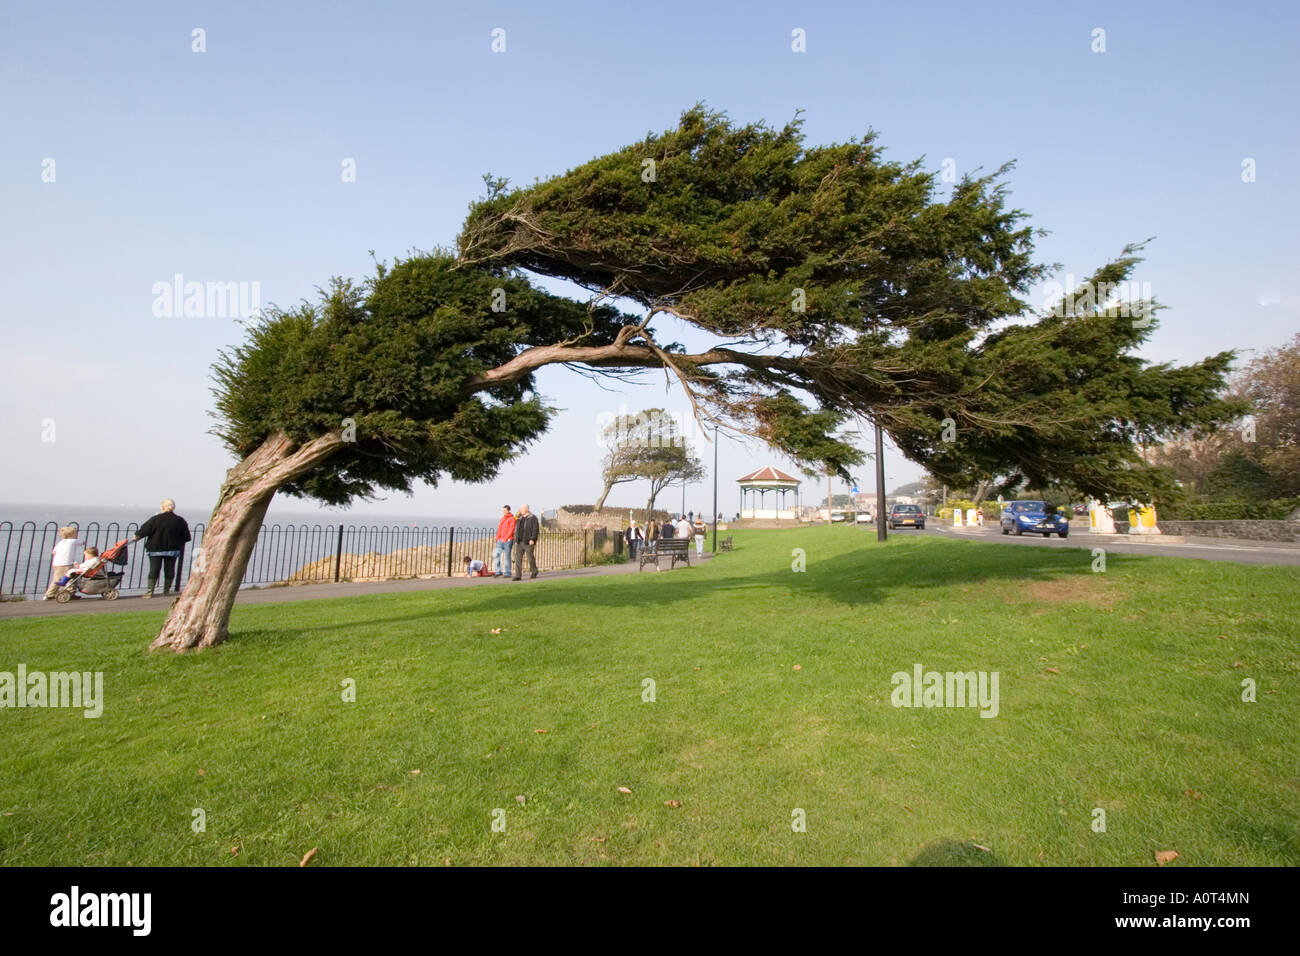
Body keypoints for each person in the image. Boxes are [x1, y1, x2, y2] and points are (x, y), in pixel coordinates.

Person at [133, 499, 191, 598]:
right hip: (172, 549)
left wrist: (137, 536)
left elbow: (144, 530)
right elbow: (187, 537)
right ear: (174, 507)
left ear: (162, 507)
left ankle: (150, 591)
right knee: (169, 569)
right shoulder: (180, 521)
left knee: (154, 569)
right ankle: (166, 590)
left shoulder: (155, 519)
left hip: (155, 549)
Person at [44, 525, 84, 600]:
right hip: (65, 563)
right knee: (63, 578)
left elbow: (53, 552)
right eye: (75, 533)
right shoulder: (73, 541)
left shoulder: (60, 542)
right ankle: (50, 594)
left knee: (69, 577)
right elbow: (82, 542)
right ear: (71, 535)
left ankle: (70, 592)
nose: (76, 535)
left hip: (57, 563)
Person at [511, 503, 539, 580]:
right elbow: (515, 525)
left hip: (528, 541)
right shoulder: (519, 518)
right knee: (518, 558)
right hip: (519, 541)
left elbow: (535, 529)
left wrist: (532, 539)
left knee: (530, 558)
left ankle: (534, 571)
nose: (521, 510)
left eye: (523, 509)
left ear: (527, 509)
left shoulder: (533, 518)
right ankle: (518, 575)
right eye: (520, 509)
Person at [493, 505, 515, 577]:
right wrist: (498, 538)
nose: (504, 512)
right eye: (503, 510)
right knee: (496, 555)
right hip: (500, 540)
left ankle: (507, 572)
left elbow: (511, 529)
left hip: (508, 540)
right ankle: (498, 571)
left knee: (507, 557)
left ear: (508, 510)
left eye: (505, 510)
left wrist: (506, 538)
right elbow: (499, 528)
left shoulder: (512, 519)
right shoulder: (502, 519)